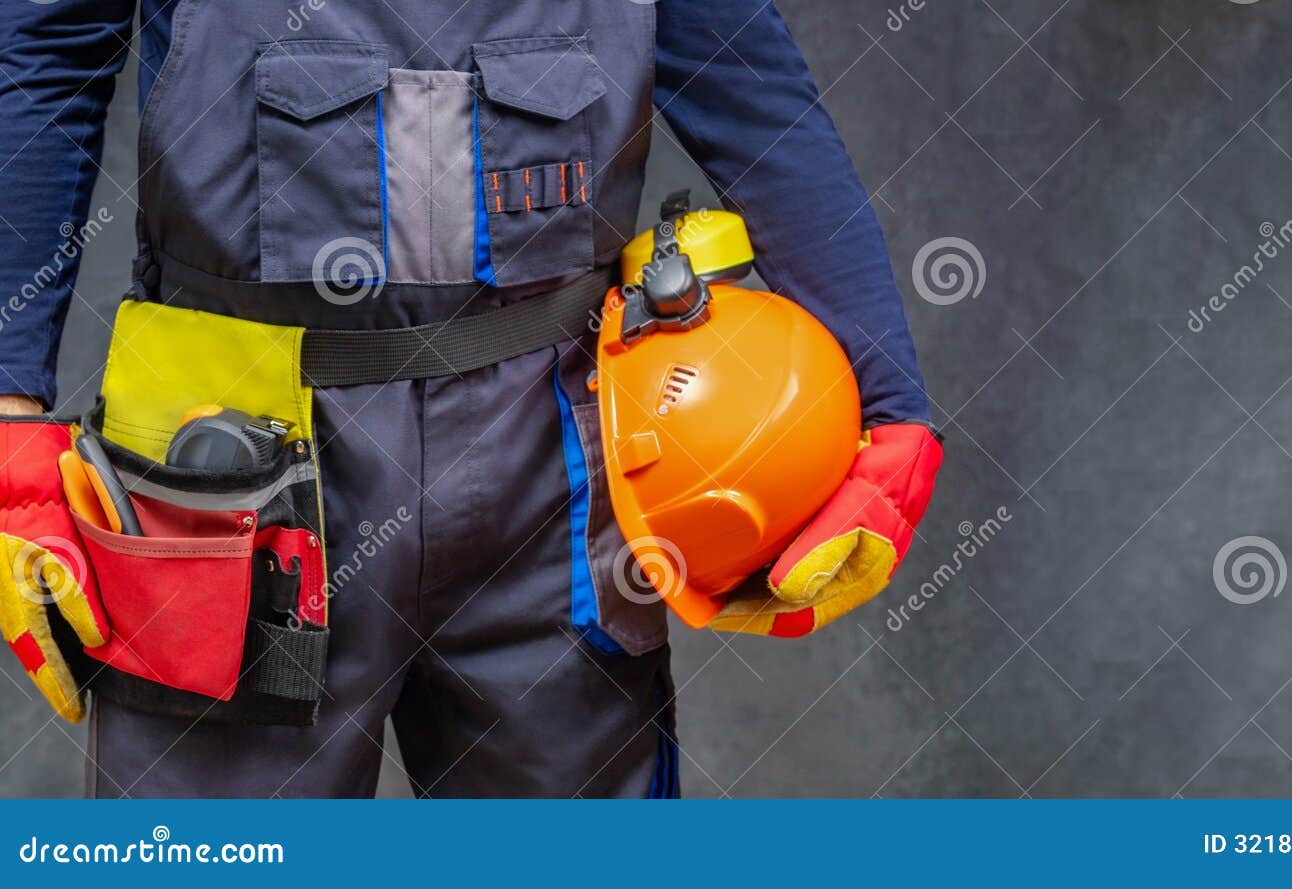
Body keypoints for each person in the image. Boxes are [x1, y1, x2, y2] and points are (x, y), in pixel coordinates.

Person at [0, 1, 940, 797]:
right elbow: (44, 48)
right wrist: (5, 406)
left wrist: (890, 410)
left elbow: (748, 81)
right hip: (224, 482)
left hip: (550, 476)